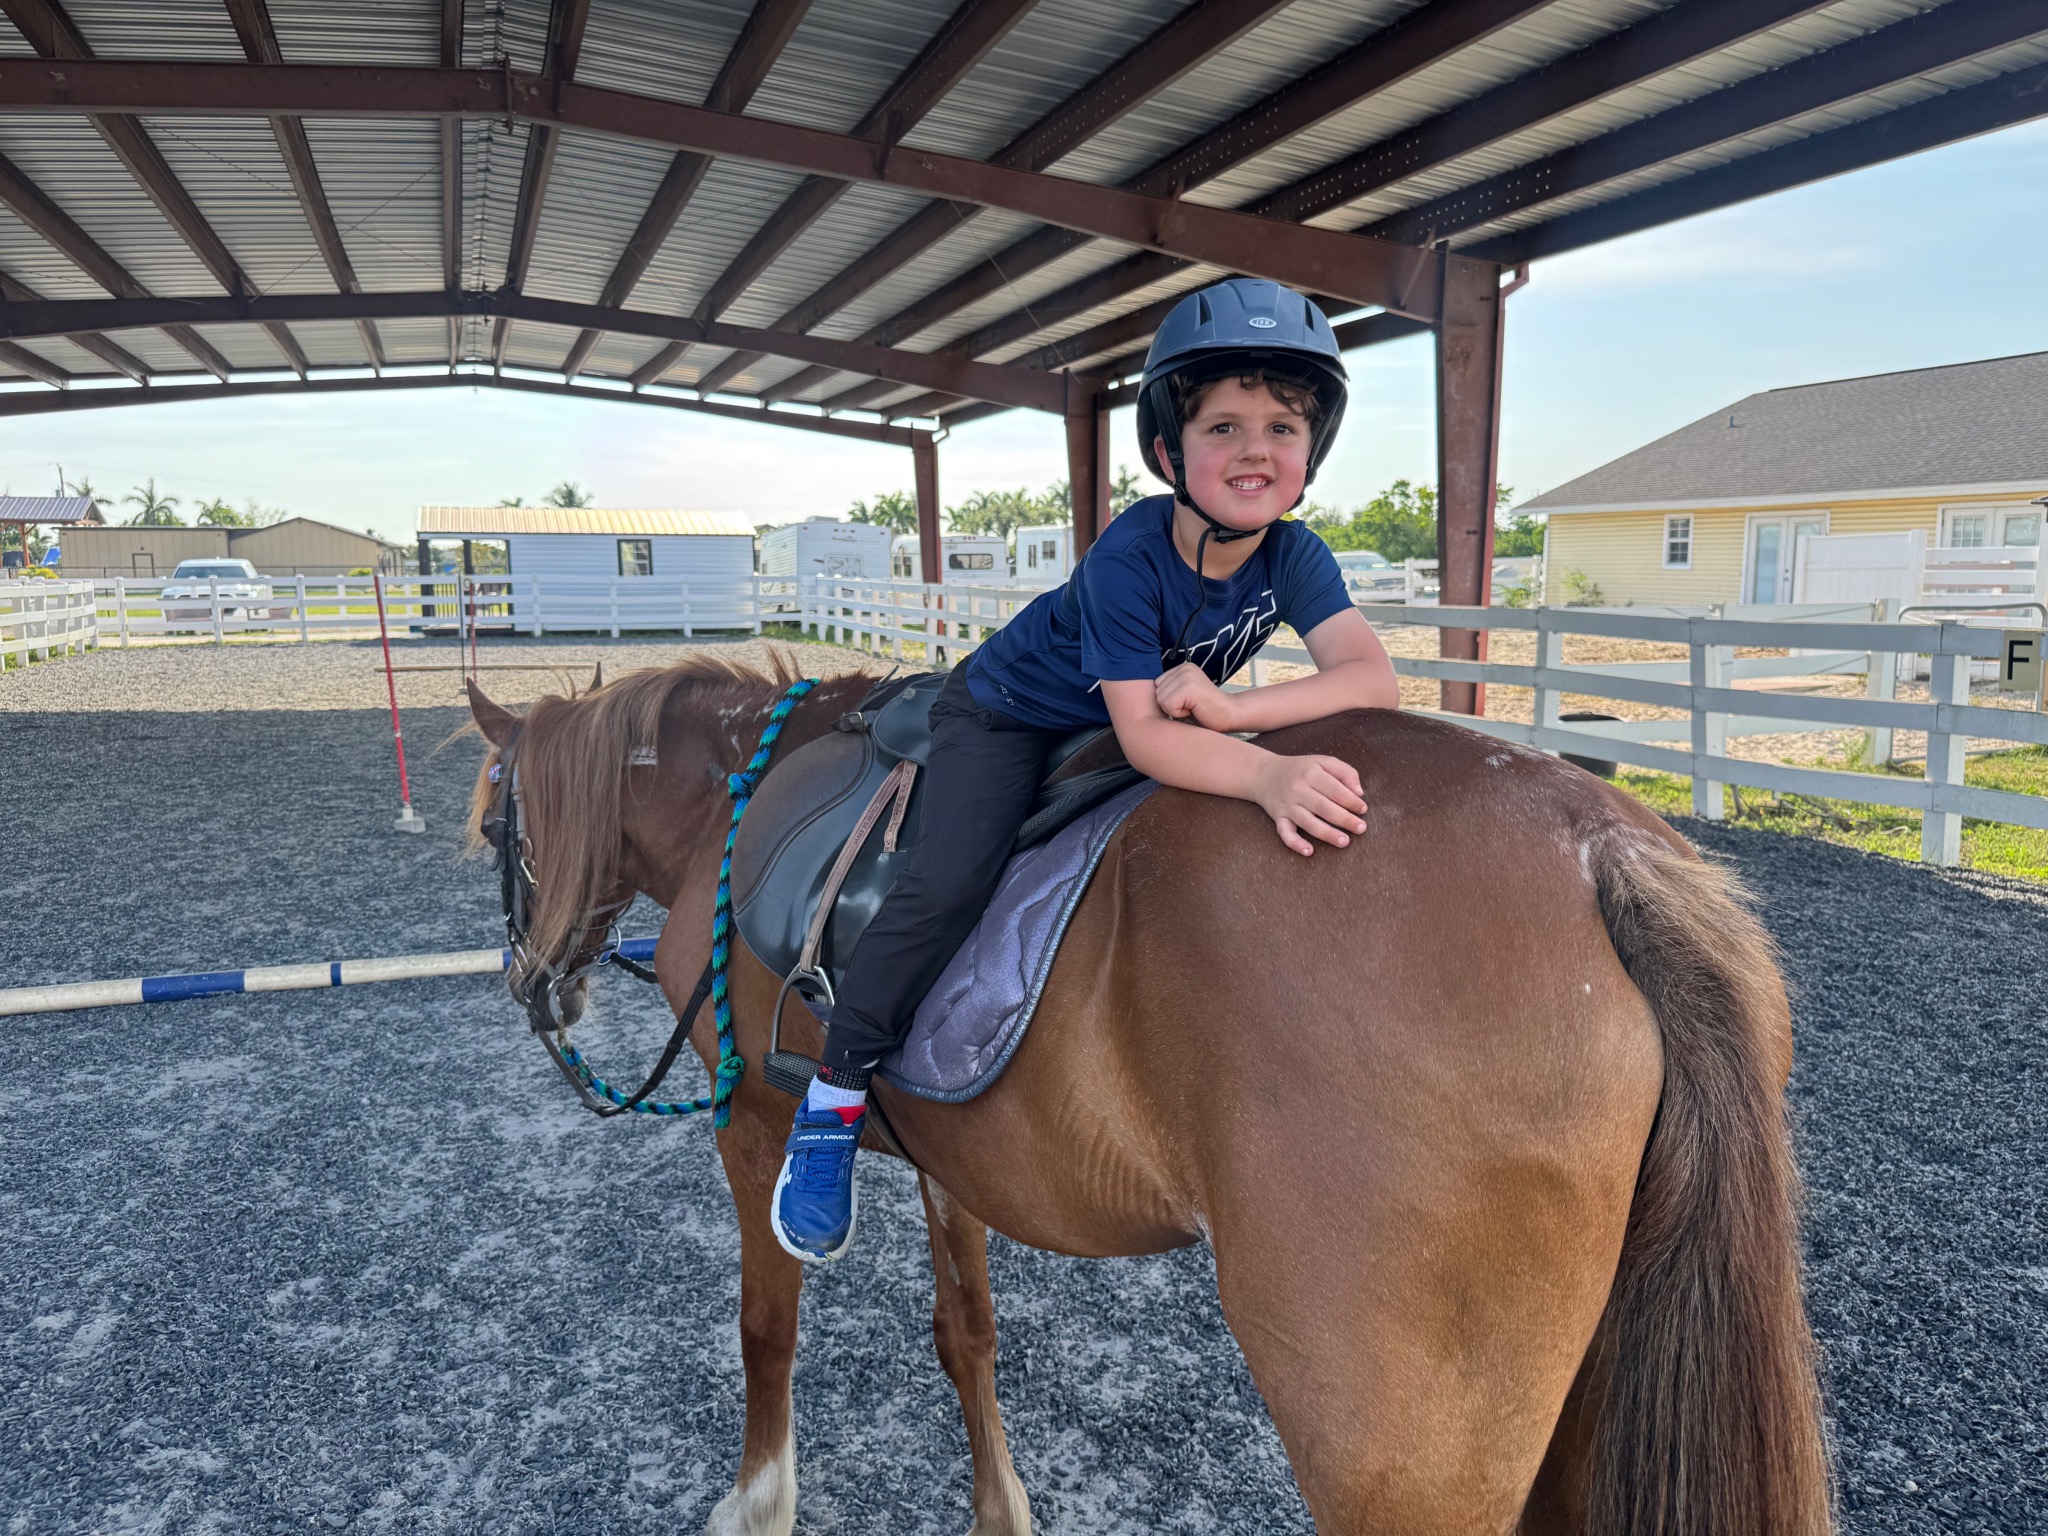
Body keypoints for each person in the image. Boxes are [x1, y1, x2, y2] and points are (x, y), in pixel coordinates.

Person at [773, 277, 1401, 1262]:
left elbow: (1370, 678)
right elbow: (1148, 739)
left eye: (1282, 427)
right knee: (947, 880)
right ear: (1167, 451)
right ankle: (834, 1097)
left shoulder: (1294, 555)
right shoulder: (1129, 555)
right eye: (1223, 426)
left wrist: (1238, 711)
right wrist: (1265, 774)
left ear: (1309, 455)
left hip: (1138, 707)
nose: (1253, 450)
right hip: (1011, 713)